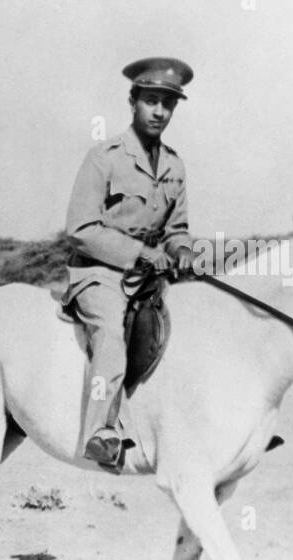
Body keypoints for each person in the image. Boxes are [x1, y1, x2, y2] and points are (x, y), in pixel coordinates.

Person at [64, 57, 195, 466]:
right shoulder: (104, 156)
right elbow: (81, 230)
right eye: (151, 101)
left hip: (151, 278)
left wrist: (183, 252)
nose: (159, 112)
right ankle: (101, 432)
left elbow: (177, 229)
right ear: (132, 101)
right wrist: (140, 253)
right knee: (111, 335)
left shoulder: (175, 165)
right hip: (99, 275)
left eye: (168, 104)